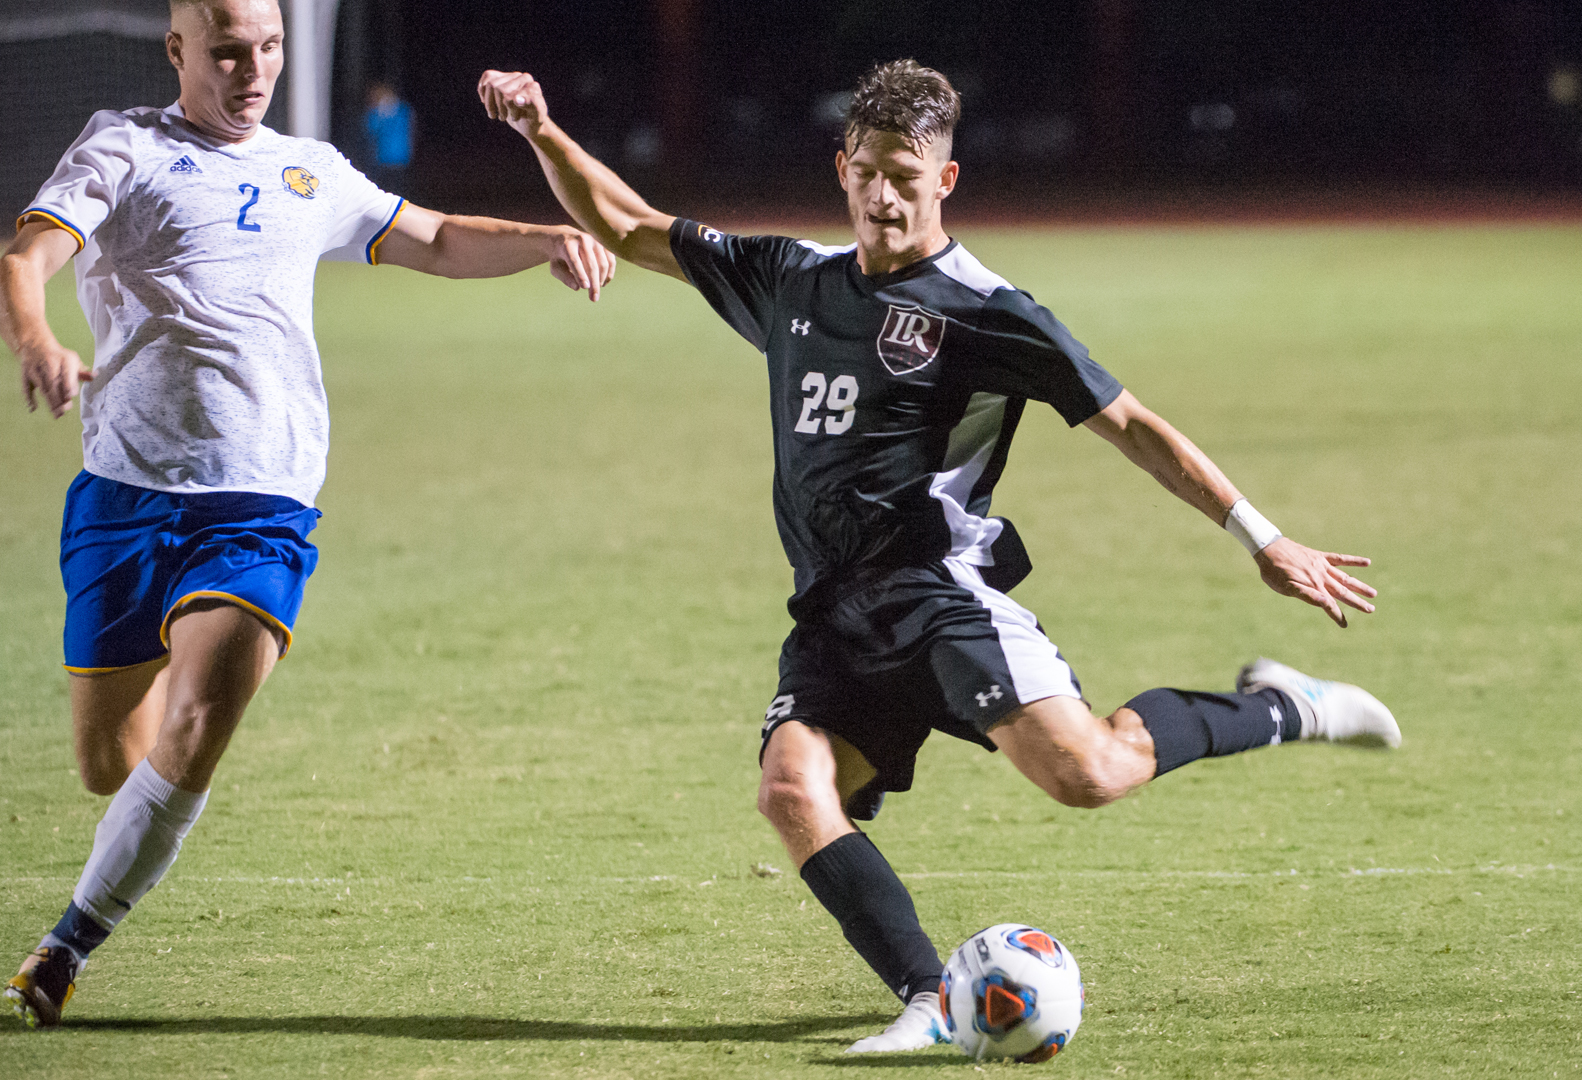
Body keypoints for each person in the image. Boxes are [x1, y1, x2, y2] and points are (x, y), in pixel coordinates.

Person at [477, 59, 1399, 1053]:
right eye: (868, 171)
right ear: (842, 167)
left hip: (941, 601)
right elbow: (624, 224)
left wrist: (1263, 539)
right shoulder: (791, 278)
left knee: (1088, 775)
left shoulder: (989, 312)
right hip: (834, 613)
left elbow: (1133, 425)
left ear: (944, 182)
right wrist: (540, 129)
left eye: (906, 178)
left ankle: (1280, 704)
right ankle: (931, 998)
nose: (883, 195)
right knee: (791, 790)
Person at [3, 0, 614, 1029]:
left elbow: (432, 237)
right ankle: (138, 815)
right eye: (230, 50)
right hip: (124, 494)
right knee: (111, 763)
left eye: (271, 48)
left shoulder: (310, 170)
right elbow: (27, 258)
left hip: (262, 497)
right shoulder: (123, 146)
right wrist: (35, 336)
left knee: (197, 727)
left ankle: (66, 945)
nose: (254, 70)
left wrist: (542, 237)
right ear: (178, 50)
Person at [362, 81, 414, 192]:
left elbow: (370, 130)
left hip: (391, 156)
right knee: (390, 187)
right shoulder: (402, 109)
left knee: (392, 187)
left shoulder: (397, 111)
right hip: (393, 156)